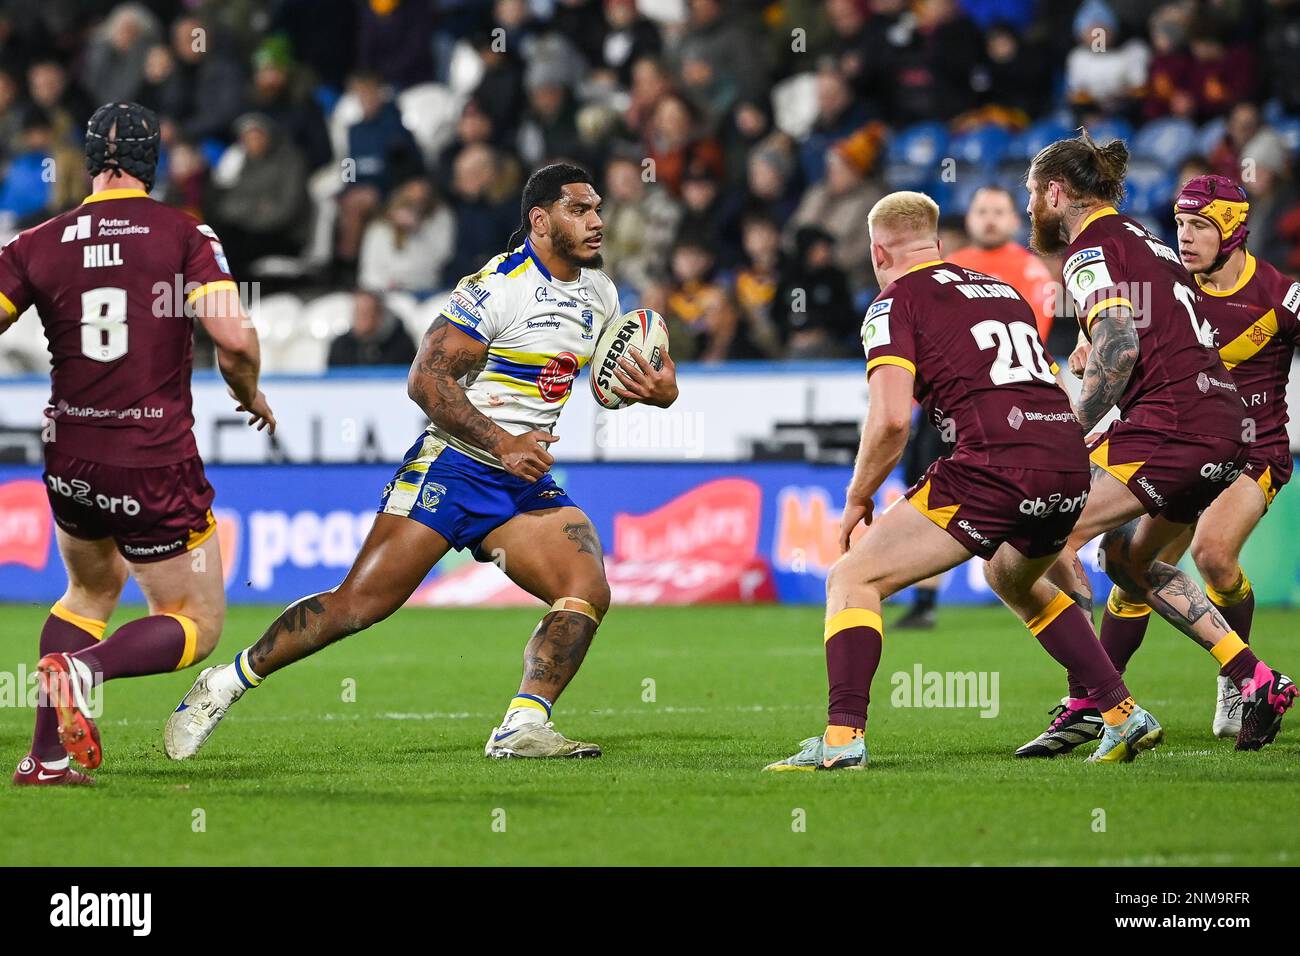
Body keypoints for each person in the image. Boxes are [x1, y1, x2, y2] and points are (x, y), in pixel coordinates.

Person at [165, 163, 679, 762]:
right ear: (540, 221)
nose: (596, 222)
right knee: (356, 605)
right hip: (454, 467)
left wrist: (656, 389)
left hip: (519, 483)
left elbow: (603, 377)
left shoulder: (601, 293)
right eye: (579, 210)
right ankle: (225, 682)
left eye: (597, 210)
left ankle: (521, 726)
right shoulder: (496, 290)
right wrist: (503, 442)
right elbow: (425, 381)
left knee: (584, 585)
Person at [764, 191, 1163, 771]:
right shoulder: (1003, 292)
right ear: (940, 245)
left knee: (852, 577)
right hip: (1068, 458)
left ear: (878, 252)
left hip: (997, 462)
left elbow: (892, 419)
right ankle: (1124, 714)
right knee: (1012, 576)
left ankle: (842, 740)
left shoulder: (891, 303)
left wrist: (857, 496)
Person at [2, 102, 274, 786]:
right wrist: (248, 394)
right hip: (152, 457)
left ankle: (45, 759)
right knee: (196, 620)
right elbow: (235, 339)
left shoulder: (35, 242)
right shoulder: (182, 234)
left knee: (87, 592)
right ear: (156, 163)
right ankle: (82, 672)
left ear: (90, 162)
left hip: (70, 457)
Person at [1016, 133, 1296, 758]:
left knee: (1047, 531)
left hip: (1171, 424)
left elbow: (1119, 347)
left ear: (1056, 193)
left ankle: (1099, 703)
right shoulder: (1149, 243)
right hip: (1218, 428)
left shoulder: (1089, 251)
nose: (1029, 205)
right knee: (1129, 563)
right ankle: (1256, 678)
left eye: (1032, 193)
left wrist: (1064, 431)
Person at [1096, 176, 1300, 738]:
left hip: (1255, 452)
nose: (1184, 238)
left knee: (1211, 555)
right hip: (1187, 446)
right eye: (1180, 224)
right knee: (1129, 569)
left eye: (1200, 226)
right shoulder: (1167, 286)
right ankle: (1099, 701)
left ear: (1233, 230)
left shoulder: (1282, 297)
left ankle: (1240, 690)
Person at [949, 185, 1055, 341]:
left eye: (999, 212)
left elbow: (1031, 336)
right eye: (982, 212)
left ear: (1015, 221)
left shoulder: (1032, 271)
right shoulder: (950, 265)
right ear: (968, 219)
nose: (990, 220)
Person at [328, 290, 418, 368]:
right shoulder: (341, 347)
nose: (361, 318)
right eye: (358, 312)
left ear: (379, 315)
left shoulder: (401, 345)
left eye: (366, 313)